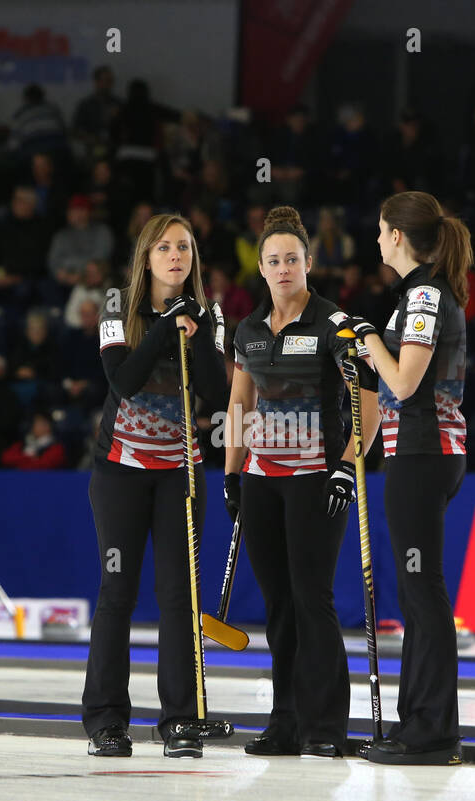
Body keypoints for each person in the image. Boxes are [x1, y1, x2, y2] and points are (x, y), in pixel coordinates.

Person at [225, 205, 378, 760]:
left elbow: (367, 400)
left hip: (317, 479)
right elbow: (240, 403)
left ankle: (326, 726)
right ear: (261, 270)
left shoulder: (333, 323)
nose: (284, 268)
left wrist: (345, 464)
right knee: (279, 607)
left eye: (293, 258)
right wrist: (231, 474)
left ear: (309, 262)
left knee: (313, 600)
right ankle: (285, 721)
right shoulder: (247, 329)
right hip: (263, 479)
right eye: (274, 260)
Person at [84, 213, 228, 759]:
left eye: (185, 247)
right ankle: (105, 720)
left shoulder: (208, 313)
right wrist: (166, 329)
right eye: (164, 247)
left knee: (179, 597)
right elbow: (122, 378)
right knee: (117, 593)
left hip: (180, 472)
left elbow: (216, 394)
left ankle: (180, 720)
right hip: (120, 470)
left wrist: (198, 338)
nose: (175, 256)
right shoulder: (119, 305)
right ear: (147, 257)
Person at [338, 191, 471, 765]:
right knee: (417, 593)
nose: (374, 239)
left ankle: (434, 728)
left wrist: (368, 339)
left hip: (423, 453)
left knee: (423, 590)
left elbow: (406, 382)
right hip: (418, 452)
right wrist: (368, 351)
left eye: (379, 229)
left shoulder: (421, 295)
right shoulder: (417, 296)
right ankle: (417, 720)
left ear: (397, 235)